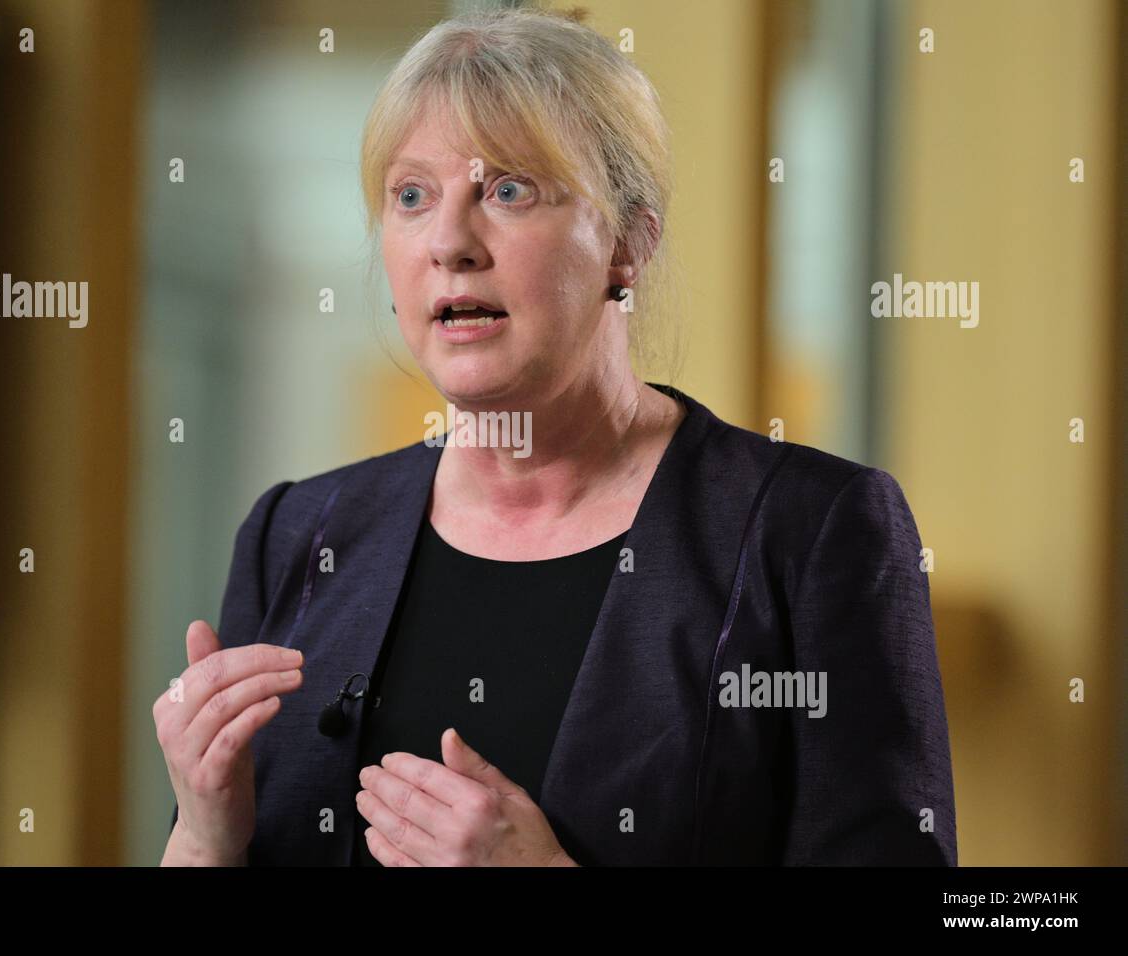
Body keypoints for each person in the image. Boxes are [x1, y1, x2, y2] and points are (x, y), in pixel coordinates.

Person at [153, 6, 956, 867]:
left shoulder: (815, 530)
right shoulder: (294, 535)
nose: (450, 243)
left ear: (626, 246)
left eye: (507, 190)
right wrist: (205, 835)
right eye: (412, 196)